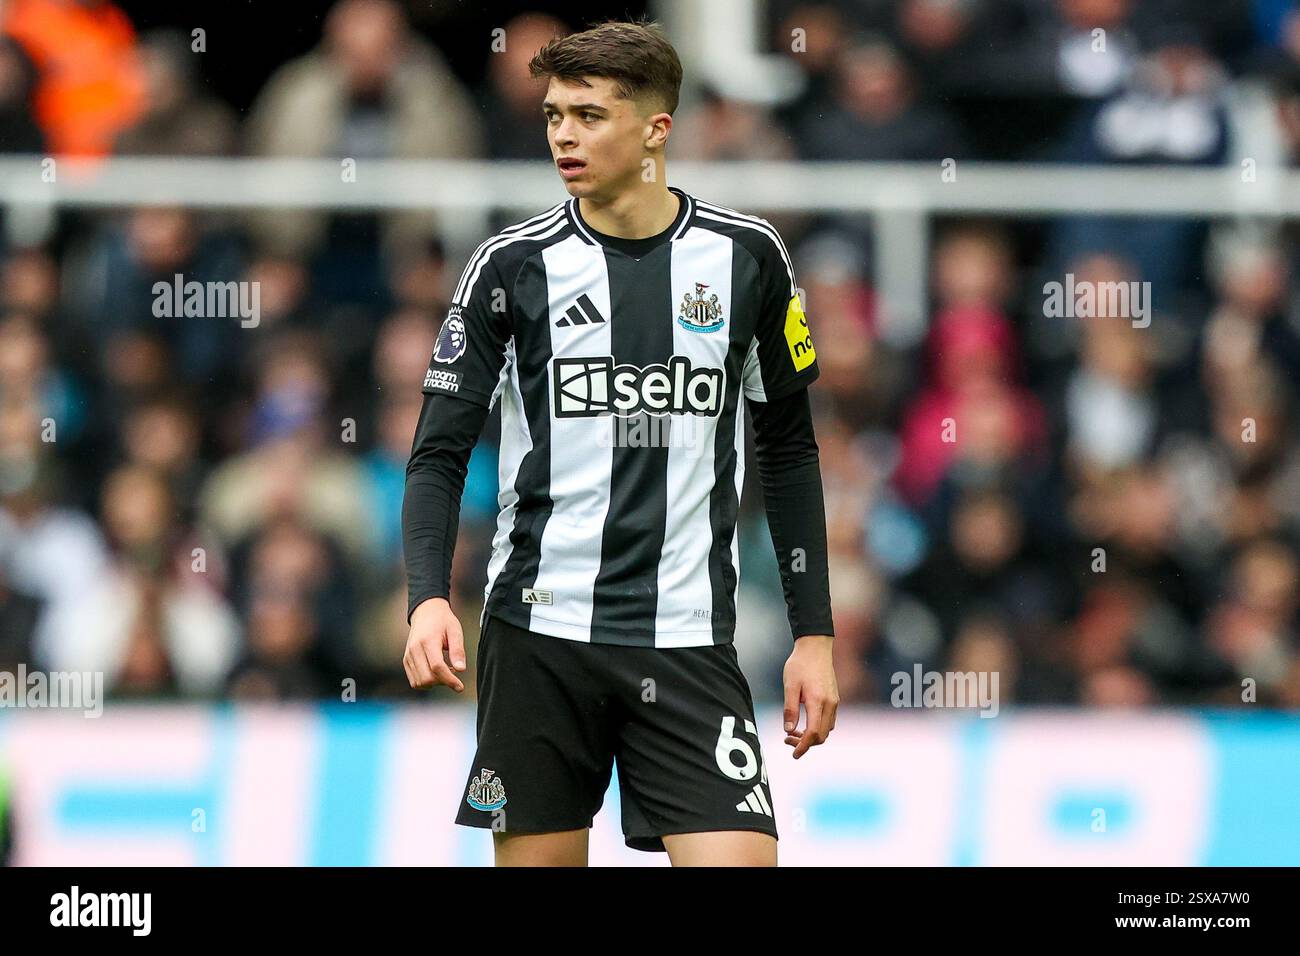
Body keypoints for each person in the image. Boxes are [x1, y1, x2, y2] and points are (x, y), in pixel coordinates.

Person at [401, 19, 838, 867]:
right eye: (555, 114)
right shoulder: (508, 266)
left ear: (655, 130)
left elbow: (789, 451)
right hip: (539, 634)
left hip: (687, 640)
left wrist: (812, 634)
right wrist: (426, 595)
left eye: (590, 115)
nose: (564, 134)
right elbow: (438, 451)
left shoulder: (750, 258)